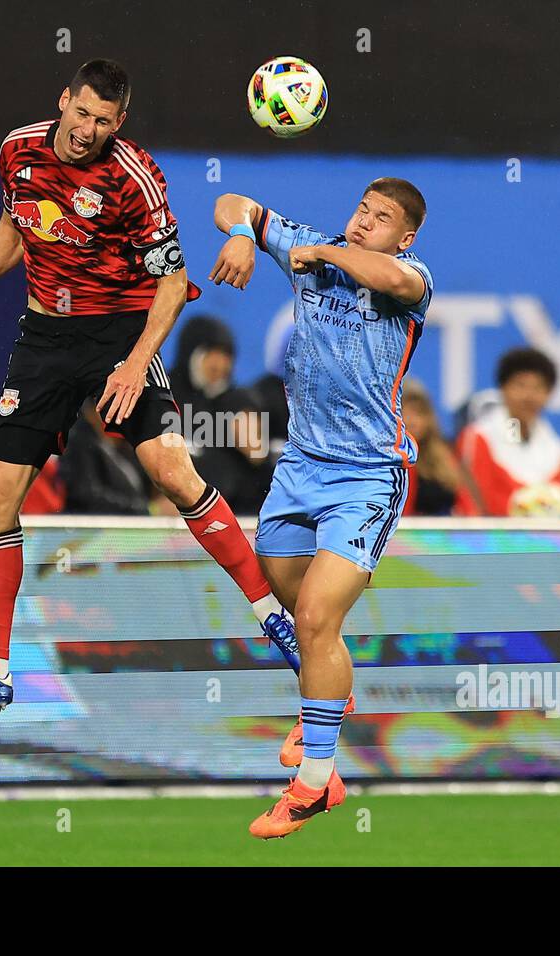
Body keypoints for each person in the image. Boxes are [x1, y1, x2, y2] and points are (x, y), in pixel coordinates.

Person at [0, 59, 300, 714]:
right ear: (63, 100)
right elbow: (18, 222)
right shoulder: (17, 149)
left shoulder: (134, 178)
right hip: (44, 341)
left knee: (171, 471)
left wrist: (132, 361)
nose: (88, 129)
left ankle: (272, 614)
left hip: (118, 333)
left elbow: (172, 283)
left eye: (103, 120)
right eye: (81, 112)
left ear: (120, 123)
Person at [210, 177, 434, 837]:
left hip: (368, 476)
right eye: (362, 210)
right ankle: (328, 698)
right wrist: (241, 234)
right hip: (300, 468)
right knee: (294, 602)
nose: (364, 222)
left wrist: (326, 256)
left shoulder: (411, 275)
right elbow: (232, 202)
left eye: (381, 217)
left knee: (313, 616)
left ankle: (314, 782)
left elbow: (390, 280)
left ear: (406, 235)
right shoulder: (309, 244)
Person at [454, 348, 560, 517]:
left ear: (548, 394)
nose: (529, 396)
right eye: (520, 385)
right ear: (503, 388)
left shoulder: (554, 447)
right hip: (493, 540)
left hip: (546, 541)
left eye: (538, 387)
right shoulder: (479, 438)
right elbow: (469, 507)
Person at [193, 389, 278, 515]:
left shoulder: (272, 475)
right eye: (242, 419)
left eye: (254, 422)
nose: (251, 432)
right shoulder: (213, 460)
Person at [59, 400, 151, 514]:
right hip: (90, 526)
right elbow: (88, 495)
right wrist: (144, 509)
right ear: (91, 414)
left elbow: (145, 487)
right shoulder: (79, 444)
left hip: (131, 523)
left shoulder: (127, 445)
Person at [399, 377, 462, 515]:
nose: (412, 420)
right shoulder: (388, 460)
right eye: (405, 412)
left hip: (446, 533)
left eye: (418, 412)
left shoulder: (445, 453)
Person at [166, 314, 236, 422]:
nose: (220, 367)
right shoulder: (163, 395)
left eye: (225, 368)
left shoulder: (232, 405)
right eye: (213, 367)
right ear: (192, 357)